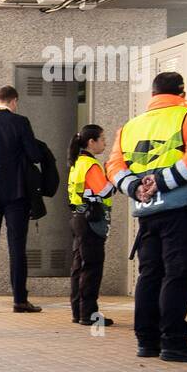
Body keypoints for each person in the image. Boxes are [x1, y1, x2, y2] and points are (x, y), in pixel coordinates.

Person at [105, 71, 187, 362]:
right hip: (179, 209)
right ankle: (174, 341)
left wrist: (136, 186)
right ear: (181, 92)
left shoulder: (131, 126)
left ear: (153, 95)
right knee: (182, 270)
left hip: (146, 211)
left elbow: (114, 166)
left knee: (150, 273)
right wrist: (163, 181)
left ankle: (147, 341)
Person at [0, 85, 44, 313]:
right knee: (17, 247)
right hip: (16, 193)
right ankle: (19, 300)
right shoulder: (21, 122)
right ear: (14, 101)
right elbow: (34, 155)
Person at [66, 125, 115, 327]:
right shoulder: (91, 165)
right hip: (92, 220)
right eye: (102, 139)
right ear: (91, 142)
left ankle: (78, 311)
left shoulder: (78, 163)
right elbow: (105, 192)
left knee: (80, 266)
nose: (105, 143)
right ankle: (89, 314)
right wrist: (113, 175)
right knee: (92, 268)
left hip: (79, 218)